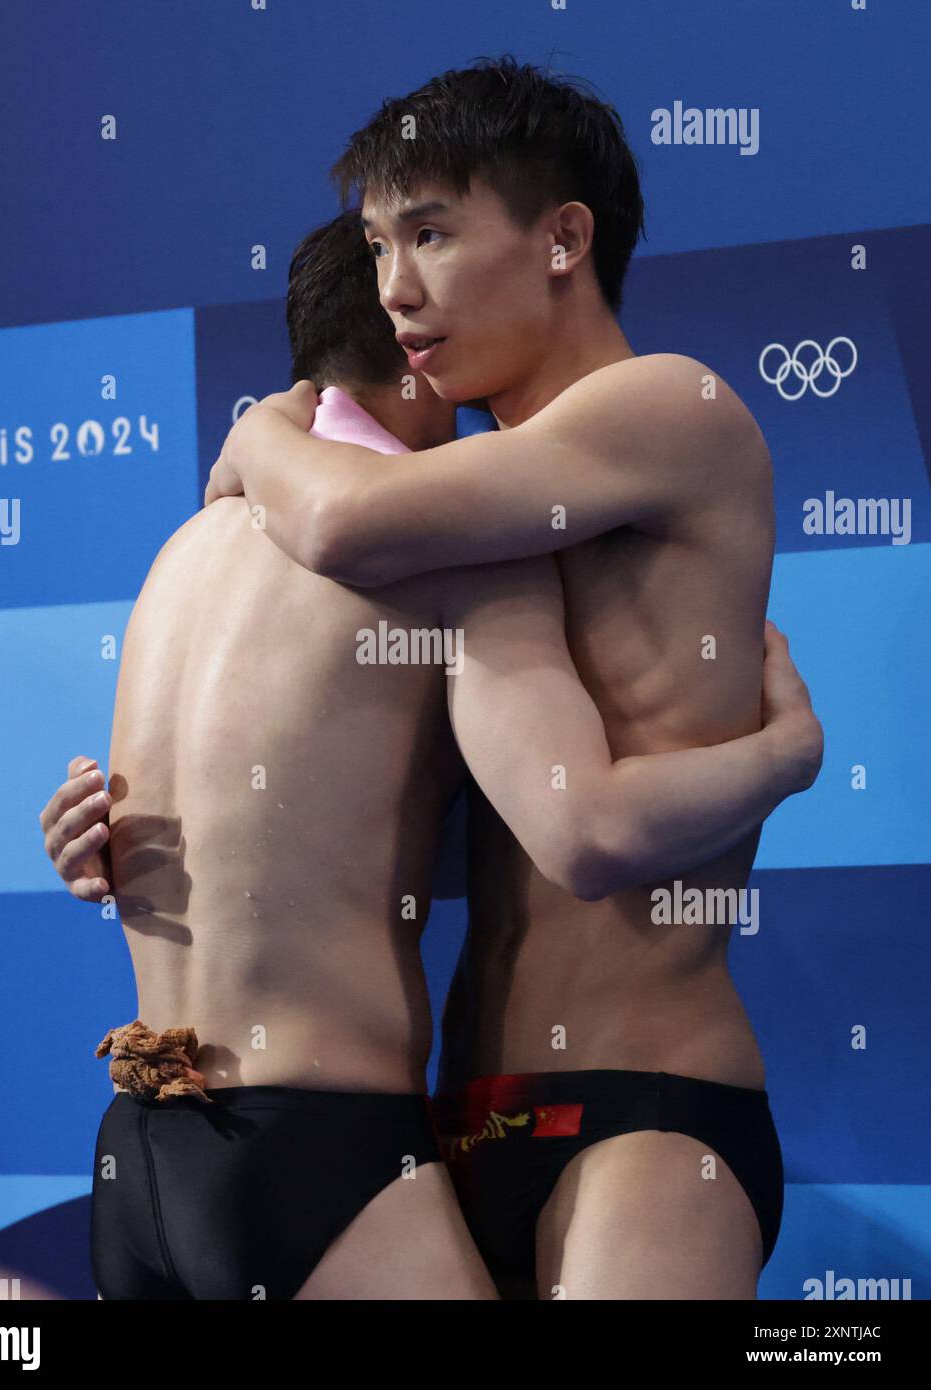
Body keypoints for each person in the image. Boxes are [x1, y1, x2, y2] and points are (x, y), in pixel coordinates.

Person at [44, 210, 820, 1301]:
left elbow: (283, 827)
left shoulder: (182, 554)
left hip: (141, 1153)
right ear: (413, 355)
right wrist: (785, 755)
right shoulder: (441, 556)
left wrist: (81, 849)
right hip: (322, 1154)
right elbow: (580, 827)